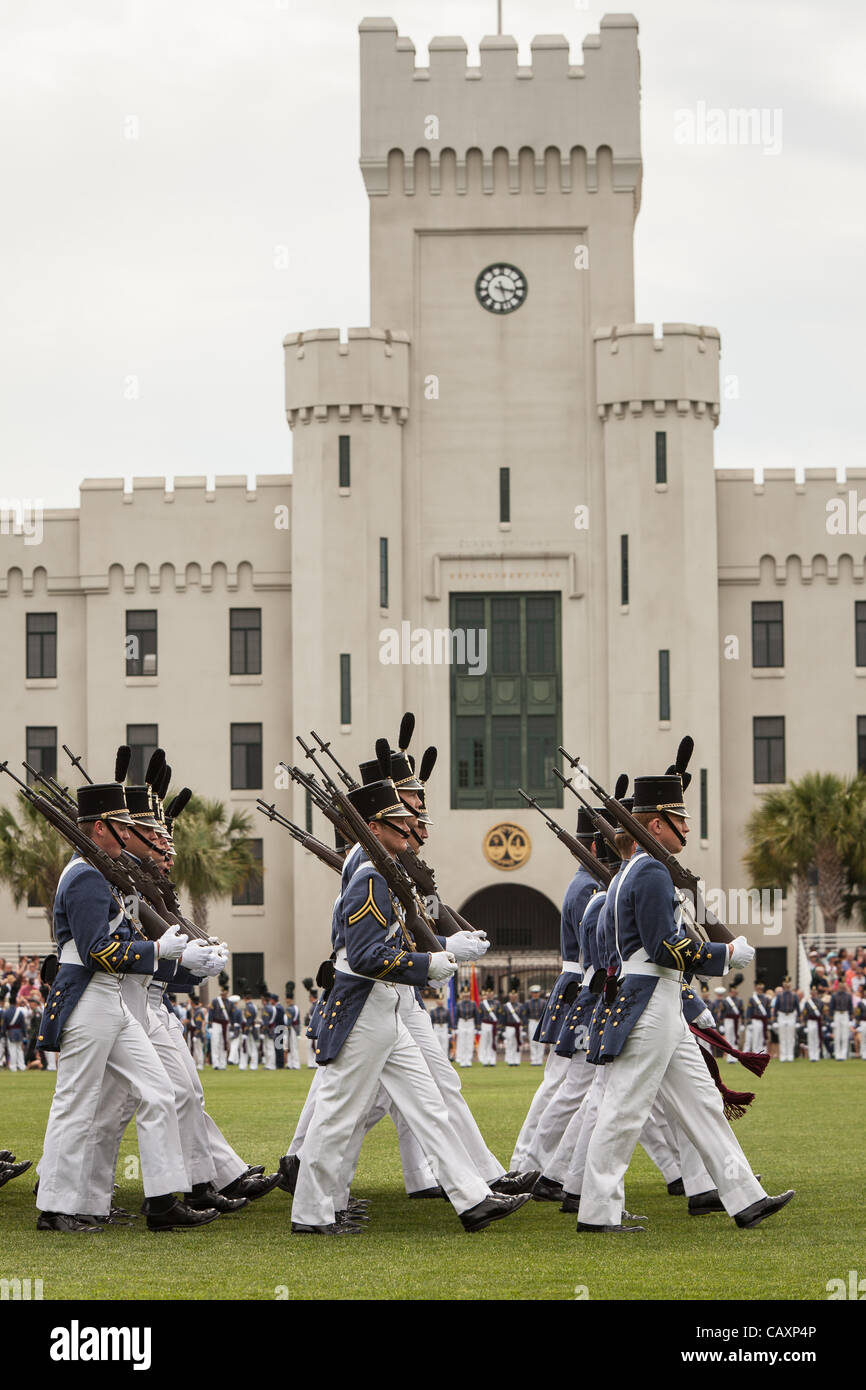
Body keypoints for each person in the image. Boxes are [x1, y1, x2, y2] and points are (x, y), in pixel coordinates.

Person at [290, 775, 531, 1236]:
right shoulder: (369, 876)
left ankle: (473, 1198)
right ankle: (311, 1212)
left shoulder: (384, 871)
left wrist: (446, 946)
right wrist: (428, 965)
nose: (410, 827)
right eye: (399, 821)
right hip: (363, 1006)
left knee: (429, 1105)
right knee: (339, 1113)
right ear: (374, 827)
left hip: (385, 1009)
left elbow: (396, 938)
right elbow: (365, 955)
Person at [576, 769, 794, 1234]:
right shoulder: (651, 870)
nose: (687, 829)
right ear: (655, 823)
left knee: (702, 1104)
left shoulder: (627, 873)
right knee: (624, 1110)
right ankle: (597, 1212)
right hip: (651, 1001)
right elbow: (662, 946)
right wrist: (726, 954)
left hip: (658, 1001)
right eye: (679, 819)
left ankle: (744, 1196)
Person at [33, 781, 216, 1233]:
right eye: (121, 826)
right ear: (99, 829)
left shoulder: (102, 873)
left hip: (111, 997)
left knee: (159, 1092)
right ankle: (56, 1207)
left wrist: (171, 953)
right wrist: (159, 952)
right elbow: (98, 947)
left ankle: (160, 1200)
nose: (129, 835)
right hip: (89, 997)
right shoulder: (85, 876)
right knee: (75, 1103)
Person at [774, 980, 799, 1062]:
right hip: (782, 1015)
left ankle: (790, 1055)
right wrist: (774, 1020)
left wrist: (798, 1020)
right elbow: (776, 1008)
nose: (787, 986)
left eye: (788, 984)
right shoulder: (779, 996)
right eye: (786, 984)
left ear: (790, 985)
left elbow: (797, 1008)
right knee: (782, 1037)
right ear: (783, 985)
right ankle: (783, 1055)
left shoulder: (794, 996)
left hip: (791, 1015)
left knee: (790, 1037)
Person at [745, 981, 770, 1053]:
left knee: (762, 1037)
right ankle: (756, 1052)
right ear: (756, 989)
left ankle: (763, 1052)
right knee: (755, 1038)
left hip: (763, 1021)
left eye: (761, 989)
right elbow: (749, 1011)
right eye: (758, 989)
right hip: (755, 1020)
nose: (760, 990)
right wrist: (749, 1022)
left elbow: (768, 1011)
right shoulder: (752, 999)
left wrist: (770, 1021)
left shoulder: (766, 999)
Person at [454, 989, 478, 1067]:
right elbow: (456, 1016)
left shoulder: (473, 1003)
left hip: (470, 1022)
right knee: (462, 1042)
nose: (466, 996)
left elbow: (476, 1015)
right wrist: (455, 1027)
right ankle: (462, 1060)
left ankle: (468, 1060)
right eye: (464, 994)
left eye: (467, 994)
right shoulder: (459, 1004)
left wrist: (477, 1027)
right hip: (462, 1023)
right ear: (462, 995)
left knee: (469, 1042)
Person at [831, 982, 853, 1061]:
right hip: (837, 1014)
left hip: (845, 1014)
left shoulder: (848, 996)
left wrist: (850, 1020)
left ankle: (843, 1054)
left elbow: (850, 1008)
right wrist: (831, 1020)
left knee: (845, 1035)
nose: (842, 986)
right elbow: (831, 1007)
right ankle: (837, 1054)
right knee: (837, 1035)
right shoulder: (834, 996)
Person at [802, 987, 825, 1062]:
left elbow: (822, 1014)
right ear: (810, 993)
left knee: (817, 1038)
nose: (813, 993)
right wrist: (805, 1025)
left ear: (816, 992)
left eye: (815, 991)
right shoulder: (807, 1003)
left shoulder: (821, 1002)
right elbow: (805, 1014)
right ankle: (812, 1056)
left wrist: (823, 1023)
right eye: (812, 991)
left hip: (818, 1022)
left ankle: (817, 1055)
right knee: (811, 1038)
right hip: (810, 1021)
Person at [525, 986, 547, 1065]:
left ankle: (539, 1059)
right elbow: (526, 1014)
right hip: (532, 1021)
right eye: (534, 993)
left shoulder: (544, 1002)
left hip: (540, 1022)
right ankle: (533, 1059)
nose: (535, 994)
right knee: (532, 1041)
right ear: (531, 993)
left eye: (537, 993)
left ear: (539, 993)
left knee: (540, 1041)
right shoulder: (528, 1003)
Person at [478, 989, 499, 1066]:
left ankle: (492, 1060)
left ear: (493, 994)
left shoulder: (497, 1003)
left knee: (493, 1042)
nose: (489, 994)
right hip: (485, 1024)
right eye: (488, 993)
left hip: (493, 1025)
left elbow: (499, 1016)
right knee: (485, 1042)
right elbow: (479, 1016)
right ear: (486, 994)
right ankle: (485, 1060)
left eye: (491, 993)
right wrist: (478, 1027)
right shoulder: (482, 1004)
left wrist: (499, 1027)